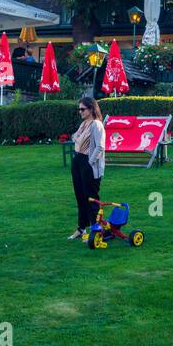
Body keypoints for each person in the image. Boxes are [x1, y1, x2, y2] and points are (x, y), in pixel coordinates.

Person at [69, 96, 106, 240]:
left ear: (91, 109)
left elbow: (100, 146)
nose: (80, 112)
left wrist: (90, 162)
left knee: (91, 198)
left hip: (88, 163)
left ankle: (95, 230)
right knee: (80, 197)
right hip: (78, 161)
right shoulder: (84, 124)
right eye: (79, 109)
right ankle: (81, 228)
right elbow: (74, 138)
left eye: (83, 109)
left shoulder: (96, 125)